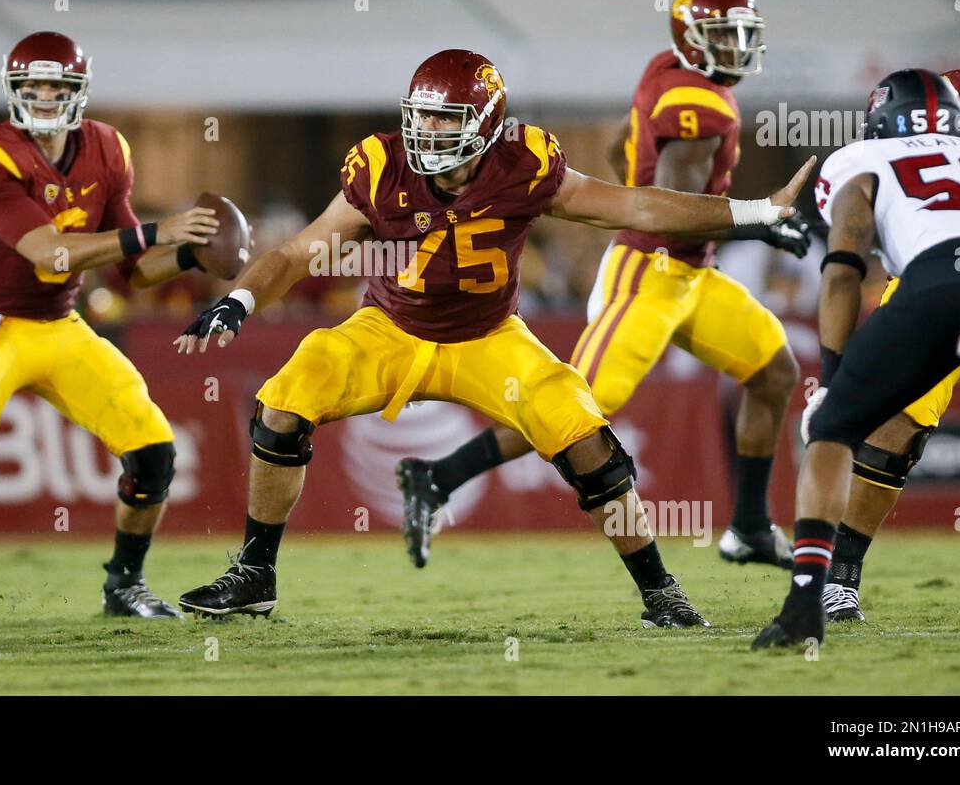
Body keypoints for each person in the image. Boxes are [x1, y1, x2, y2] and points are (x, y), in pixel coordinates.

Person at [174, 48, 812, 627]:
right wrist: (239, 299)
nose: (427, 132)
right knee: (285, 401)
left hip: (490, 338)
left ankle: (660, 592)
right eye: (421, 117)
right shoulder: (379, 164)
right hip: (389, 330)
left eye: (446, 120)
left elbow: (635, 205)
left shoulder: (524, 163)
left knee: (587, 439)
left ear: (484, 125)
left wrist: (754, 213)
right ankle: (255, 574)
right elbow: (300, 250)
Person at [394, 0, 809, 570]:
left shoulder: (668, 70)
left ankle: (748, 528)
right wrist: (758, 223)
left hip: (693, 276)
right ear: (690, 38)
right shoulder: (701, 107)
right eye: (725, 34)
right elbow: (674, 216)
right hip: (650, 274)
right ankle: (438, 476)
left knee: (774, 370)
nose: (739, 46)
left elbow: (620, 147)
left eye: (745, 33)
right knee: (575, 406)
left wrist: (643, 188)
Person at [0, 31, 218, 621]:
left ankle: (125, 584)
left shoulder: (108, 148)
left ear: (77, 91)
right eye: (30, 85)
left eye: (54, 85)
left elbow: (137, 271)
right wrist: (161, 229)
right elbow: (49, 255)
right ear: (12, 91)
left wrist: (194, 252)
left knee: (154, 450)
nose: (41, 95)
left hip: (60, 324)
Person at [755, 68, 960, 649]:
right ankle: (838, 581)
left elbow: (844, 267)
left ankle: (805, 601)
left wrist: (832, 378)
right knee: (894, 427)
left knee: (832, 430)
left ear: (877, 120)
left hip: (935, 287)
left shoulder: (859, 159)